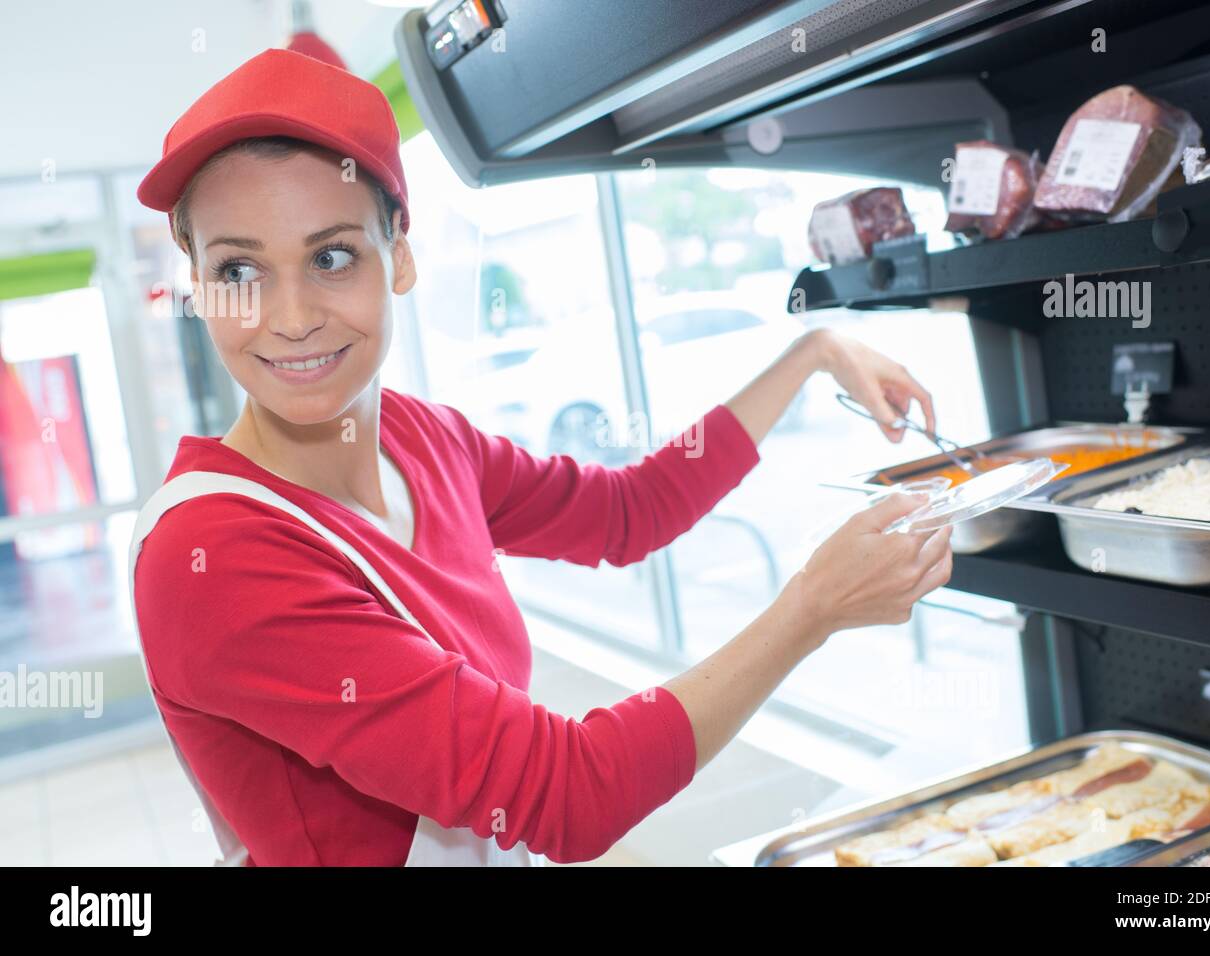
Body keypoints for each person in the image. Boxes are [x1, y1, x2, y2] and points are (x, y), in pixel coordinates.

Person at [130, 48, 952, 866]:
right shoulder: (211, 559)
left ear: (401, 253)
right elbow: (567, 795)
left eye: (331, 256)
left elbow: (630, 513)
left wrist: (810, 354)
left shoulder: (424, 440)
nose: (292, 316)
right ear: (199, 286)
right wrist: (812, 608)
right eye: (240, 270)